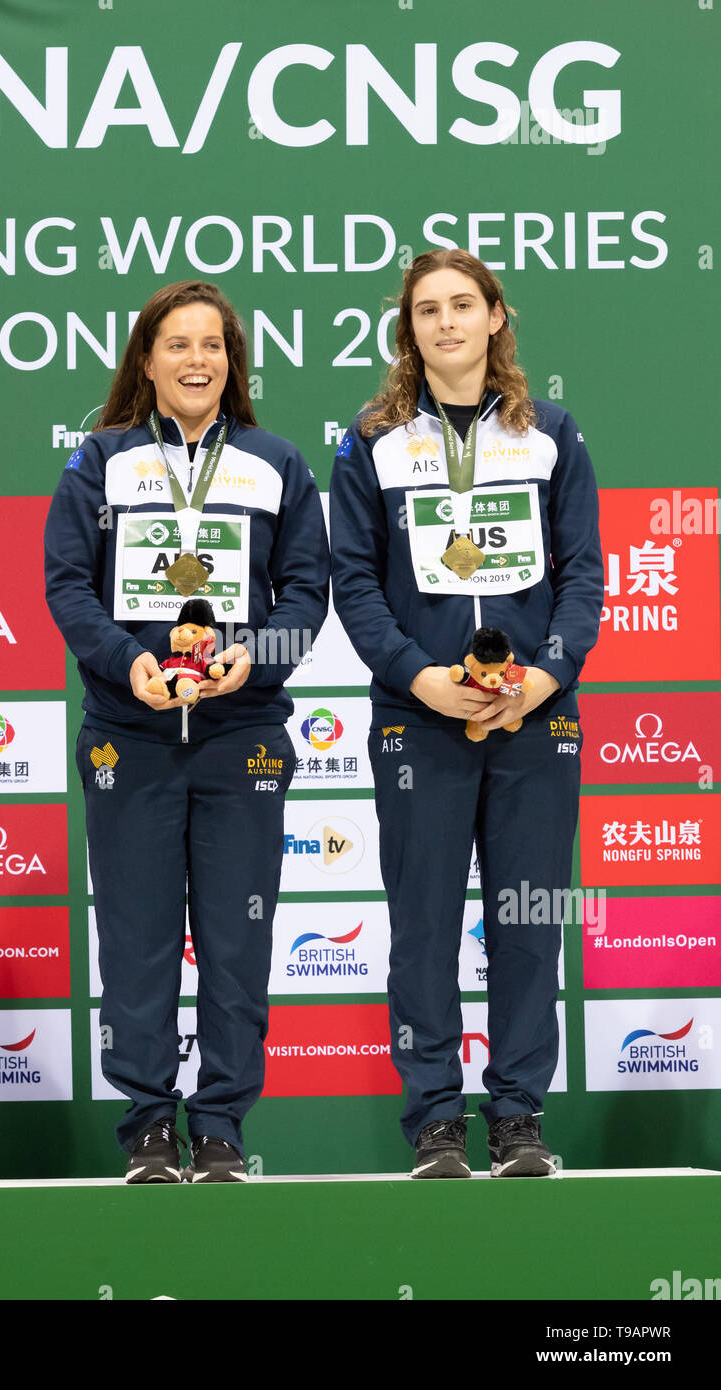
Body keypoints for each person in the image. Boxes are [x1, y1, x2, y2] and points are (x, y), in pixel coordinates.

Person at [45, 281, 329, 1183]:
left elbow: (309, 589)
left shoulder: (277, 460)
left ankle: (220, 1129)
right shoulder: (100, 460)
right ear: (147, 359)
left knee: (238, 943)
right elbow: (67, 586)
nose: (197, 360)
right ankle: (148, 1129)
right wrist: (124, 660)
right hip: (129, 736)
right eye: (177, 345)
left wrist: (258, 657)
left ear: (233, 362)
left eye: (212, 345)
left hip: (240, 734)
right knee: (136, 938)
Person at [329, 249, 603, 1178]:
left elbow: (585, 577)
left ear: (496, 316)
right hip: (421, 722)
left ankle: (519, 1116)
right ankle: (438, 1119)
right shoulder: (372, 438)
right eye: (425, 310)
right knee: (423, 925)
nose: (444, 323)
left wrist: (546, 678)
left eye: (461, 305)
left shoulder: (554, 434)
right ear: (407, 330)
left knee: (529, 924)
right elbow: (355, 584)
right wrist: (418, 678)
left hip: (536, 720)